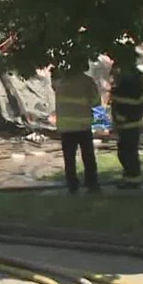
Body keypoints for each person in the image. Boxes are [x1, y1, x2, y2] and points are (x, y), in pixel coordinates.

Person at [54, 60, 102, 194]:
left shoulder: (60, 82)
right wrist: (101, 124)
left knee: (69, 159)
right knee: (88, 157)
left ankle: (72, 185)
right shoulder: (87, 82)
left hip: (66, 127)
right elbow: (96, 102)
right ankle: (92, 184)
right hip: (83, 125)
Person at [109, 49, 143, 189]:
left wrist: (118, 116)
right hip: (130, 122)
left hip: (129, 122)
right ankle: (130, 177)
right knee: (127, 151)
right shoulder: (135, 78)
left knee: (127, 152)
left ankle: (133, 179)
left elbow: (126, 102)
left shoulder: (129, 83)